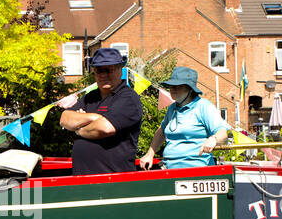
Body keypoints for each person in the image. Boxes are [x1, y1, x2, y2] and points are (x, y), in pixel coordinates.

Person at [58, 46, 143, 175]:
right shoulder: (90, 97)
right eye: (98, 70)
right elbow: (65, 118)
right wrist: (94, 118)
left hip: (113, 180)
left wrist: (78, 129)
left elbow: (104, 128)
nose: (103, 75)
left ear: (121, 69)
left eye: (109, 70)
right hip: (82, 180)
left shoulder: (128, 98)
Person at [138, 66, 230, 170]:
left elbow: (222, 133)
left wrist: (213, 139)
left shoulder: (204, 106)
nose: (173, 89)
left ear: (190, 89)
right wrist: (150, 154)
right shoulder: (172, 108)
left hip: (197, 172)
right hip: (169, 170)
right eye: (171, 86)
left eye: (178, 86)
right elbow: (161, 131)